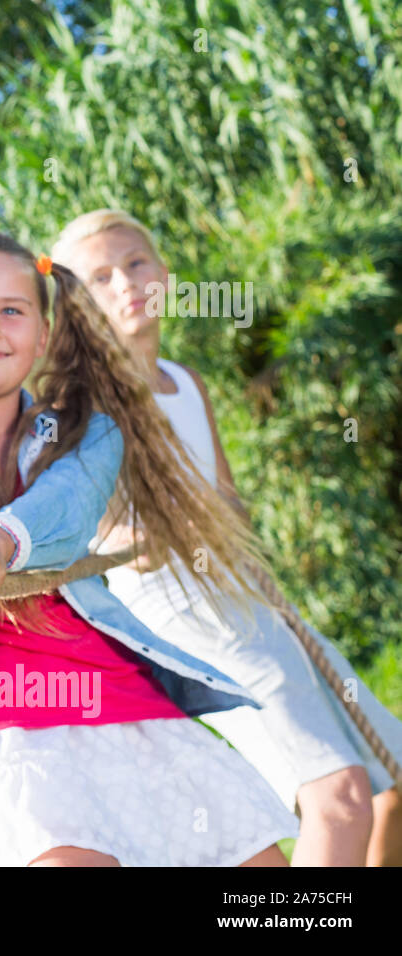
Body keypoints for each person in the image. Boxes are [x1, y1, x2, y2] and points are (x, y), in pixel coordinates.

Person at [0, 229, 300, 866]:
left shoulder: (85, 432)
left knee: (258, 868)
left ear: (42, 332)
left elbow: (68, 501)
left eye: (12, 309)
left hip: (109, 686)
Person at [51, 208, 402, 866]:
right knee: (339, 797)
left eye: (136, 263)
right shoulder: (80, 406)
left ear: (163, 274)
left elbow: (228, 501)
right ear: (73, 307)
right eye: (99, 277)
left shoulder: (186, 384)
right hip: (177, 609)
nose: (126, 283)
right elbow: (70, 524)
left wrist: (235, 545)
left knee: (390, 787)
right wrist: (121, 533)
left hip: (247, 593)